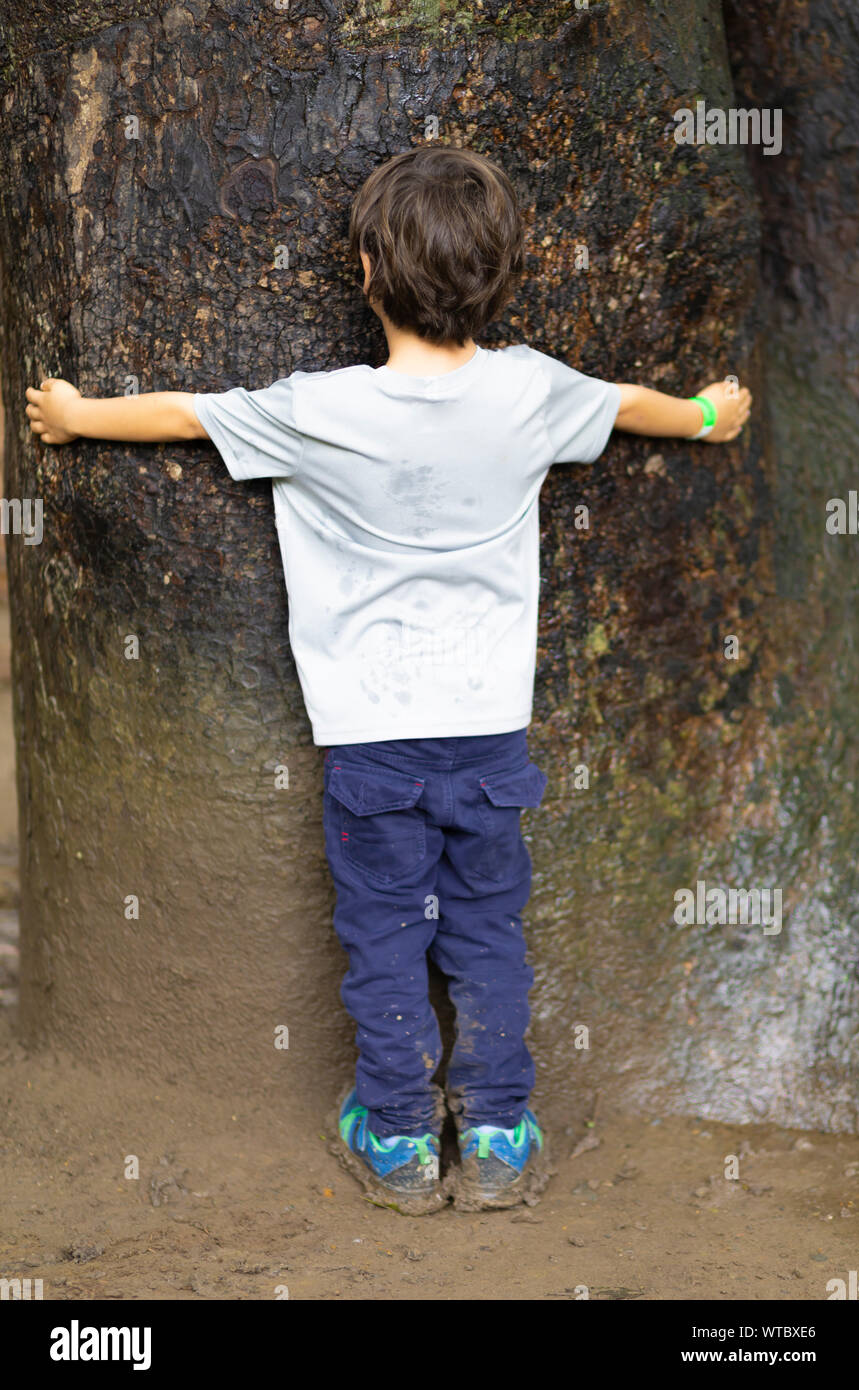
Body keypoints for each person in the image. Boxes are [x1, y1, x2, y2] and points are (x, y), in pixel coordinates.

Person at [24, 145, 751, 1216]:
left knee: (382, 941)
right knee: (487, 935)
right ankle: (499, 1135)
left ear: (364, 270)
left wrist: (76, 416)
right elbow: (633, 403)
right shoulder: (530, 391)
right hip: (489, 738)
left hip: (372, 744)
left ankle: (400, 1140)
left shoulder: (319, 409)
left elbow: (184, 413)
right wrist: (705, 414)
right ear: (500, 274)